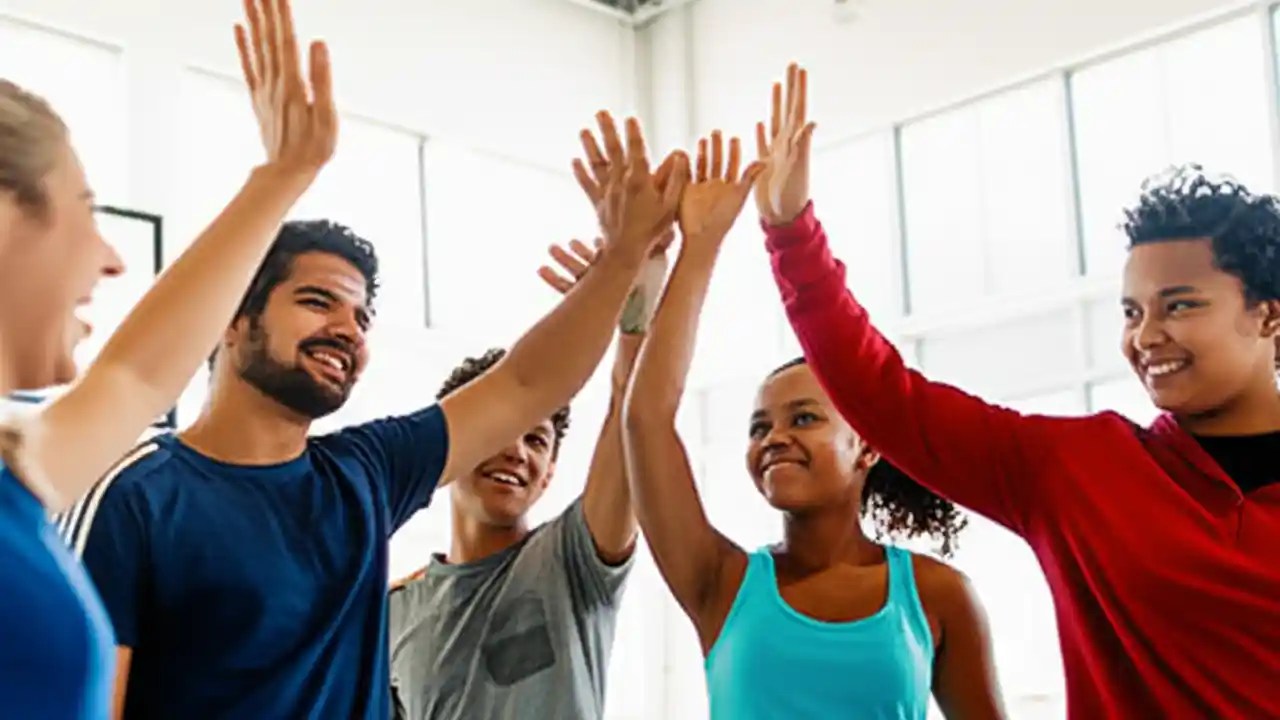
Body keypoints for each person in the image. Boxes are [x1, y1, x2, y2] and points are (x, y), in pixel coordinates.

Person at [58, 106, 686, 718]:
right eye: (317, 302)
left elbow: (526, 383)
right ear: (233, 317)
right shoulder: (132, 494)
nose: (347, 330)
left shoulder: (364, 473)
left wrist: (624, 256)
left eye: (361, 318)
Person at [760, 61, 1280, 718]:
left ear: (1268, 315)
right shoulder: (1072, 471)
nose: (1146, 336)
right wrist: (790, 233)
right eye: (1130, 311)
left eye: (1178, 306)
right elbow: (883, 396)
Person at [0, 0, 338, 715]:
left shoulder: (16, 477)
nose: (112, 258)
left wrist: (282, 175)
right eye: (86, 211)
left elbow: (138, 376)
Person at [621, 130, 1005, 719]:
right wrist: (700, 247)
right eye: (758, 427)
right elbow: (645, 419)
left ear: (867, 446)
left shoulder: (938, 595)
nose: (773, 438)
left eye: (803, 418)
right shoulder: (719, 582)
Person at [387, 231, 668, 719]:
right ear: (452, 447)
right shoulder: (391, 611)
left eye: (535, 439)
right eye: (499, 432)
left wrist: (633, 319)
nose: (516, 452)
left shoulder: (573, 561)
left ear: (549, 472)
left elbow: (630, 411)